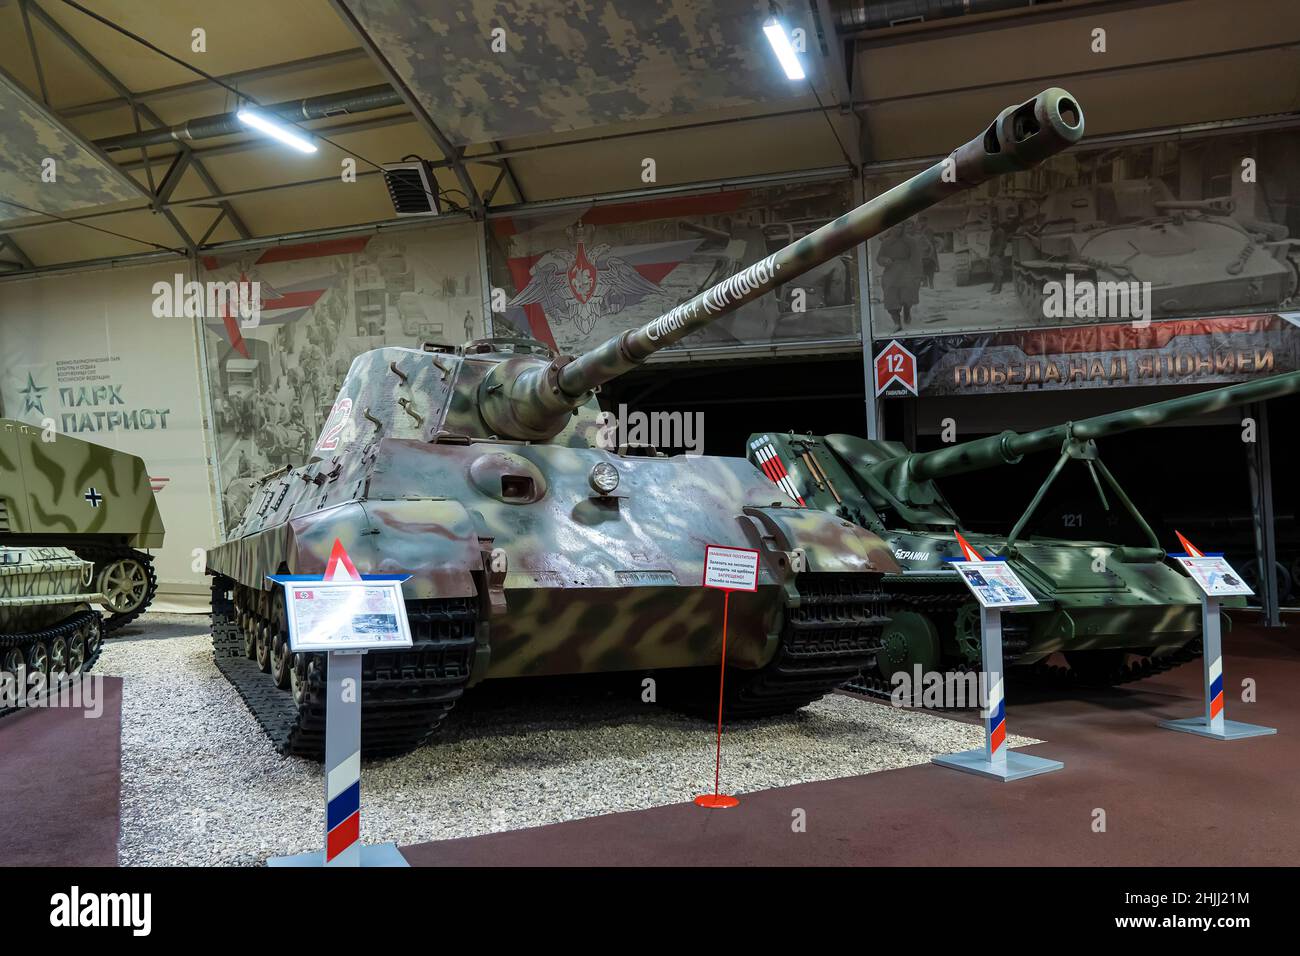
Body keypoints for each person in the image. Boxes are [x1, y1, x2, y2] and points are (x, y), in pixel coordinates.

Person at [877, 223, 923, 329]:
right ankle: (897, 323)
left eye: (900, 228)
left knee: (907, 297)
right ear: (892, 228)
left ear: (903, 229)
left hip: (907, 270)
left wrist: (917, 275)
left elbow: (916, 258)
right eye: (895, 227)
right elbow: (879, 257)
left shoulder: (910, 241)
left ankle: (907, 311)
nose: (898, 230)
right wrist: (884, 260)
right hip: (891, 271)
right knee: (890, 298)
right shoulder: (886, 242)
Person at [988, 220, 1009, 294]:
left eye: (993, 223)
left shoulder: (1000, 231)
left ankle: (998, 289)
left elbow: (1002, 244)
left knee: (998, 272)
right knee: (994, 272)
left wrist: (997, 254)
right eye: (991, 223)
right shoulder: (994, 231)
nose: (992, 225)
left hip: (997, 255)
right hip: (993, 255)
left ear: (997, 224)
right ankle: (994, 287)